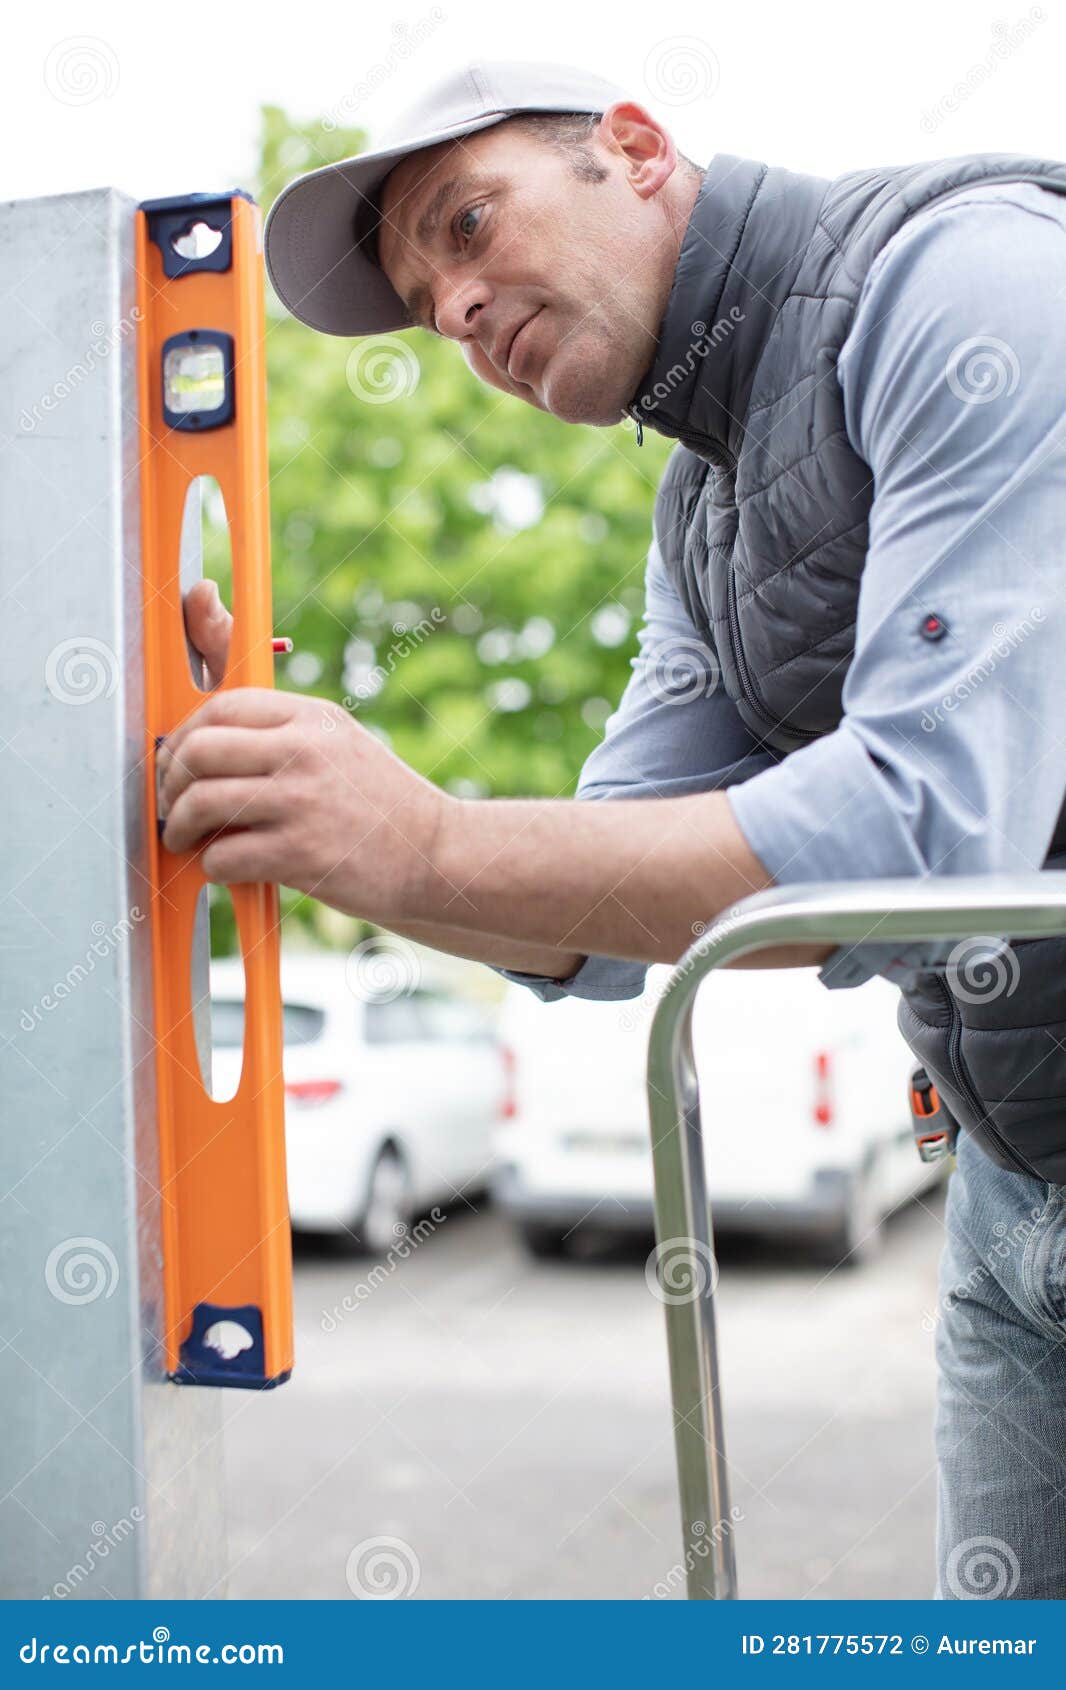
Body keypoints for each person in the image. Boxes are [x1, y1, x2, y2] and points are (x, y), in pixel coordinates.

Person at [162, 62, 1066, 1598]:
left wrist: (420, 839)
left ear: (632, 150)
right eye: (420, 292)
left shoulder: (966, 278)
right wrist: (305, 803)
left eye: (465, 221)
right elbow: (589, 898)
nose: (449, 307)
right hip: (1006, 1197)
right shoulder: (697, 516)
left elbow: (928, 837)